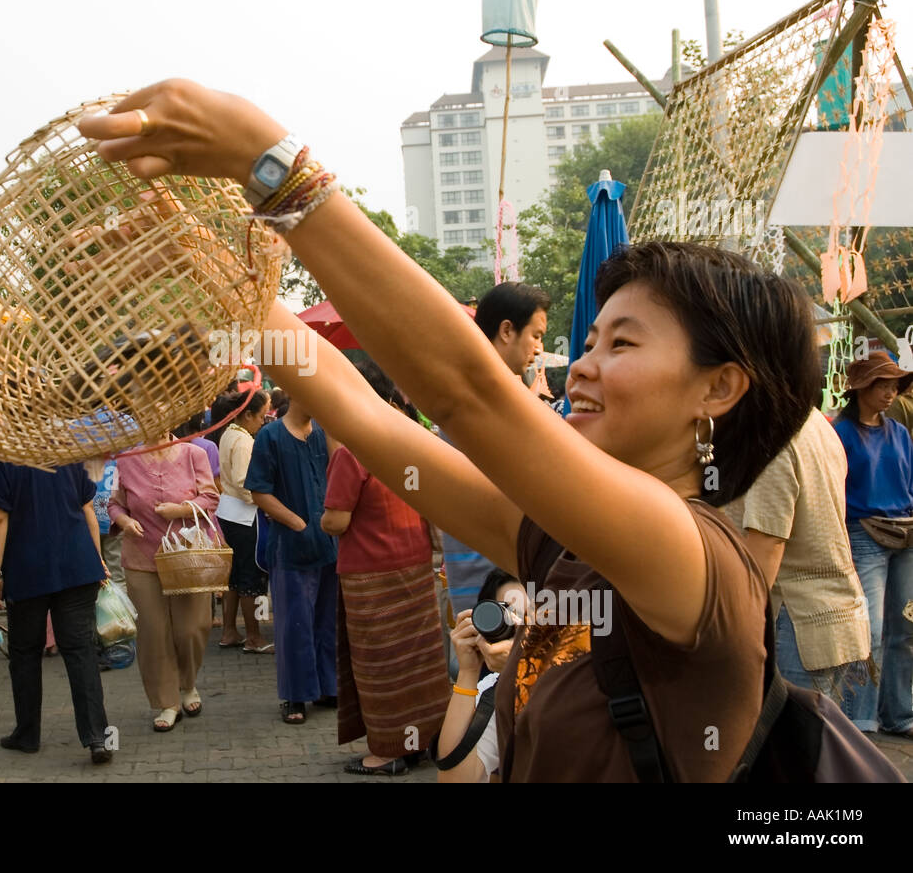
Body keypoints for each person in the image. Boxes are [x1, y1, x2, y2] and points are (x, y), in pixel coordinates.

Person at [80, 80, 819, 780]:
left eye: (622, 344)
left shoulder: (697, 563)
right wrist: (212, 280)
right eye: (589, 342)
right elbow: (361, 411)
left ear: (719, 388)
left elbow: (470, 394)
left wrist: (270, 164)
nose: (583, 367)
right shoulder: (564, 547)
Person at [321, 359, 449, 776]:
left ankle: (390, 752)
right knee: (420, 663)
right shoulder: (412, 437)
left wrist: (321, 520)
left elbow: (337, 520)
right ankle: (425, 742)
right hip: (413, 567)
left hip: (369, 576)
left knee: (382, 666)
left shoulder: (356, 448)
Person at [722, 407, 870, 704]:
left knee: (787, 742)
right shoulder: (815, 422)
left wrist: (731, 628)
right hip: (835, 616)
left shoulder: (771, 433)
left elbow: (767, 545)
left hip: (797, 621)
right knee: (811, 742)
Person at [0, 458, 112, 762]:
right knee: (81, 650)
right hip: (77, 562)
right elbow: (87, 509)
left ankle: (27, 734)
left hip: (28, 567)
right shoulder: (65, 446)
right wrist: (97, 558)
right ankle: (97, 737)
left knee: (26, 652)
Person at [442, 281, 551, 620]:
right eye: (536, 335)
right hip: (493, 586)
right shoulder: (484, 402)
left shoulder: (478, 395)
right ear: (507, 331)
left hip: (486, 581)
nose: (539, 347)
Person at [108, 433, 219, 731]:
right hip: (142, 558)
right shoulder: (125, 460)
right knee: (154, 633)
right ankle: (167, 701)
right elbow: (114, 504)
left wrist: (181, 510)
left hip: (188, 554)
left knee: (193, 627)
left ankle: (188, 683)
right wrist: (124, 521)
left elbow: (210, 496)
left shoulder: (193, 454)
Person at [831, 351, 913, 736]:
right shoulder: (840, 434)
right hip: (864, 536)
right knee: (870, 631)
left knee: (906, 629)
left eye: (895, 385)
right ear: (862, 388)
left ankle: (899, 715)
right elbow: (833, 491)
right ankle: (861, 721)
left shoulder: (900, 433)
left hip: (906, 535)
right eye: (883, 384)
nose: (891, 392)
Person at [245, 395, 338, 725]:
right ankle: (295, 696)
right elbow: (258, 490)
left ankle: (329, 686)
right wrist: (295, 522)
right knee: (294, 625)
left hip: (328, 545)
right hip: (291, 547)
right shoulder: (271, 436)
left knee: (327, 622)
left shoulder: (323, 432)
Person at [437, 568, 527, 782]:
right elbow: (456, 780)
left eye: (532, 619)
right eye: (510, 617)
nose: (522, 631)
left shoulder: (582, 682)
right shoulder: (495, 688)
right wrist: (468, 672)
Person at [216, 388, 272, 652]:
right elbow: (243, 481)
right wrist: (264, 501)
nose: (263, 421)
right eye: (261, 416)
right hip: (244, 515)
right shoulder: (243, 441)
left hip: (229, 512)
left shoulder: (229, 434)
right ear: (247, 415)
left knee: (234, 577)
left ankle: (230, 631)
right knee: (252, 578)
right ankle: (254, 636)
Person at [84, 456, 123, 586]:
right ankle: (118, 605)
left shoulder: (79, 452)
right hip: (112, 520)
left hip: (94, 523)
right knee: (117, 575)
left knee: (95, 576)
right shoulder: (118, 450)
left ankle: (113, 605)